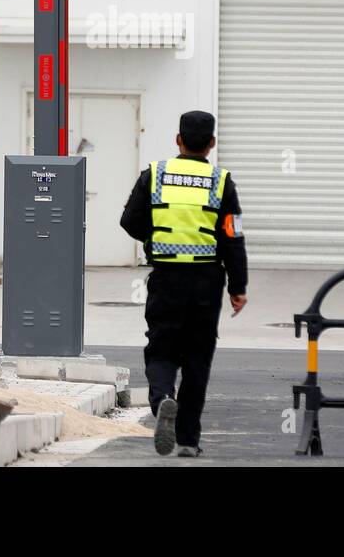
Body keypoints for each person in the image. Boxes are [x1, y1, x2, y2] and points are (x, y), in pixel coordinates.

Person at [119, 109, 248, 457]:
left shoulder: (155, 174)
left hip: (166, 277)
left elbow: (129, 221)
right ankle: (188, 440)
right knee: (197, 359)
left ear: (178, 140)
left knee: (161, 348)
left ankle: (163, 399)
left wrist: (156, 236)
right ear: (211, 143)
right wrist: (238, 287)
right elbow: (233, 239)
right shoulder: (222, 182)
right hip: (206, 282)